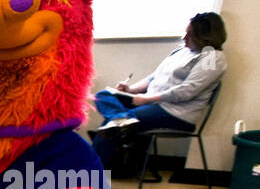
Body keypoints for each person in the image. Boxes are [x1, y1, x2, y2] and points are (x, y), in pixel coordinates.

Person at [92, 12, 227, 180]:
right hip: (151, 103)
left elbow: (188, 90)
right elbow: (153, 77)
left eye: (190, 34)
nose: (184, 37)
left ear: (206, 37)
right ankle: (123, 119)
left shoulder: (212, 56)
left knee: (111, 126)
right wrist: (130, 89)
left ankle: (90, 176)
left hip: (175, 112)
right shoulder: (180, 52)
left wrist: (147, 99)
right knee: (102, 96)